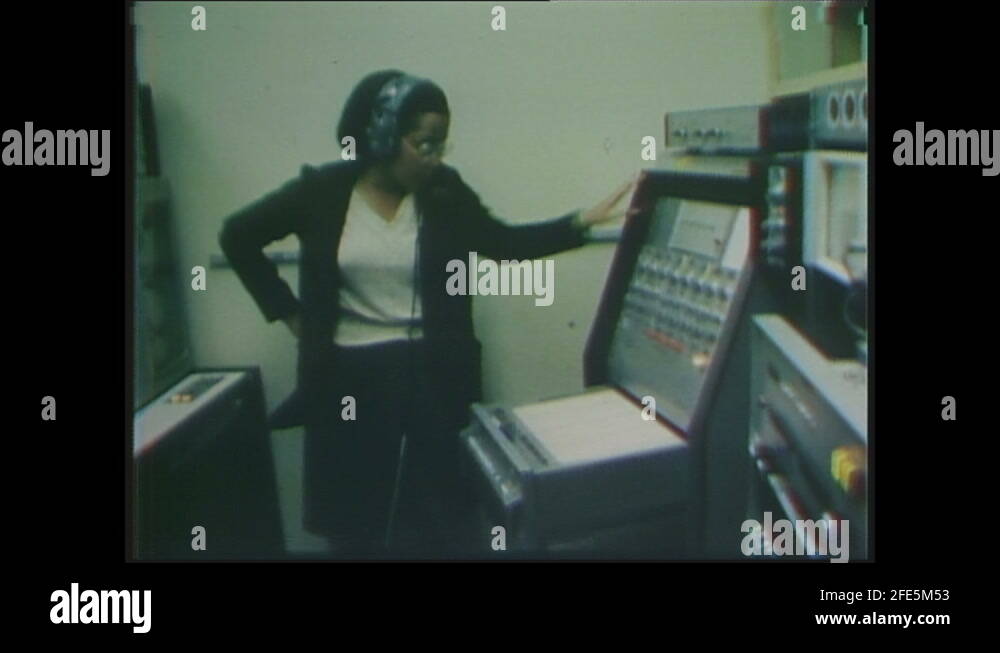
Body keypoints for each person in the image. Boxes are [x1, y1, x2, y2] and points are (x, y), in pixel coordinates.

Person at [218, 69, 634, 557]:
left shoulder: (444, 192)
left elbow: (502, 244)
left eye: (441, 144)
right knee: (357, 522)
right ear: (380, 137)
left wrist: (578, 223)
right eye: (423, 144)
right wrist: (289, 314)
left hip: (432, 376)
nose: (435, 157)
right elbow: (238, 235)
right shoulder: (322, 192)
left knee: (443, 519)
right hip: (348, 380)